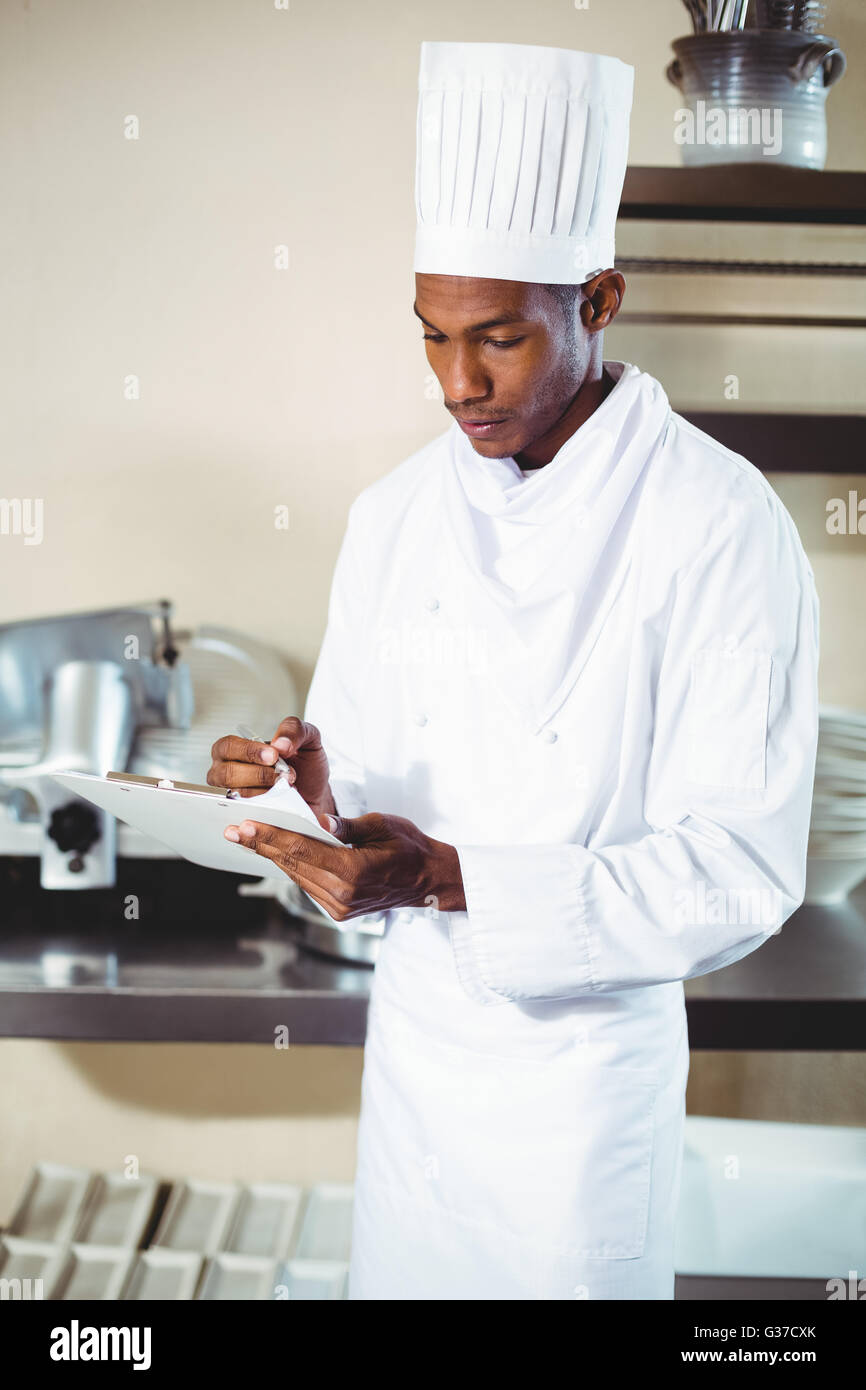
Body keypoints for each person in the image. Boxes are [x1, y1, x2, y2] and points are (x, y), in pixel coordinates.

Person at [208, 41, 819, 1300]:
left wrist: (445, 876)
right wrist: (296, 801)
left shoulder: (714, 521)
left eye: (495, 341)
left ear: (596, 301)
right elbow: (363, 820)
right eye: (430, 338)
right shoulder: (394, 515)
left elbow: (740, 873)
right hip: (419, 1083)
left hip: (580, 1108)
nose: (455, 386)